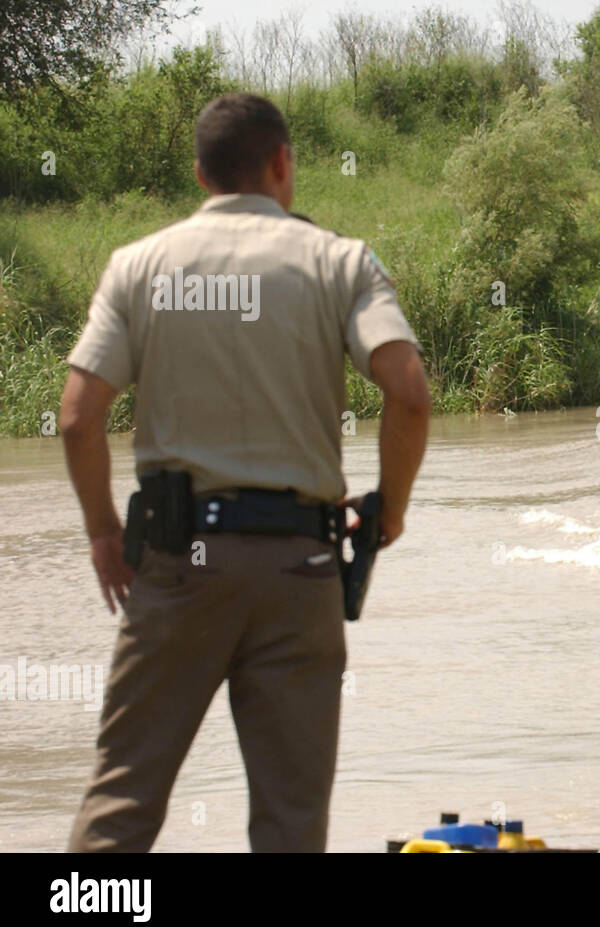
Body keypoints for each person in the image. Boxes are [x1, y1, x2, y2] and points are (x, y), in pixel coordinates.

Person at [60, 93, 429, 852]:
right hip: (303, 567)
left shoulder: (139, 267)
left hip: (176, 561)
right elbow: (409, 394)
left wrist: (103, 533)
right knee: (291, 827)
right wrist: (389, 509)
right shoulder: (341, 262)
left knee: (121, 806)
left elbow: (76, 417)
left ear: (201, 174)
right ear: (283, 164)